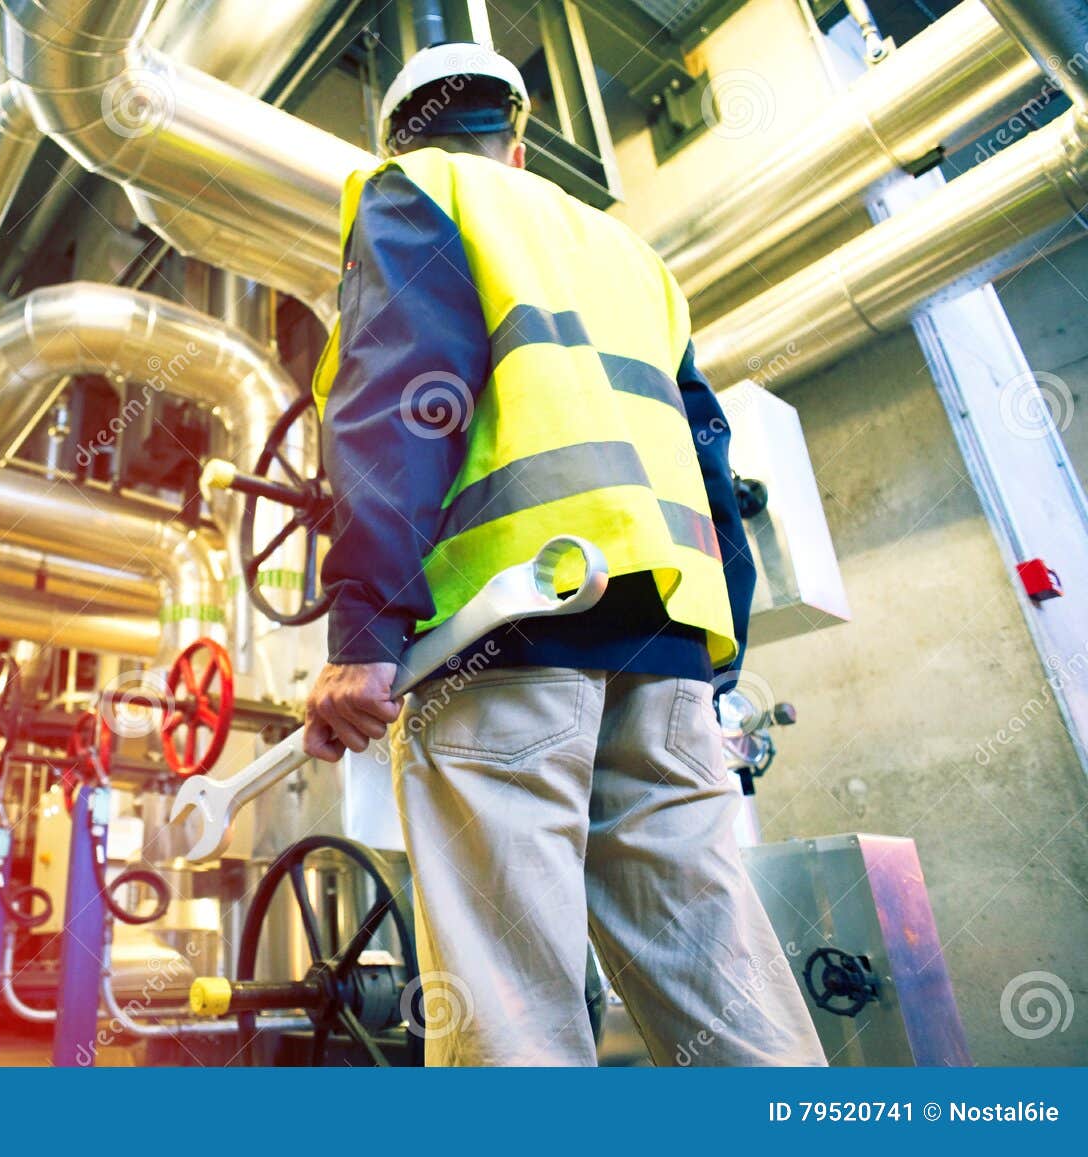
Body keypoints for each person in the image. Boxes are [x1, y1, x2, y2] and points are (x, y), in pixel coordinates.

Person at [302, 44, 826, 1067]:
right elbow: (709, 458)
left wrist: (364, 627)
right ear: (520, 134)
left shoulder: (416, 194)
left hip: (507, 634)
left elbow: (399, 403)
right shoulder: (628, 256)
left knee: (509, 998)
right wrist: (720, 658)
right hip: (667, 641)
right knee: (718, 971)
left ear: (397, 137)